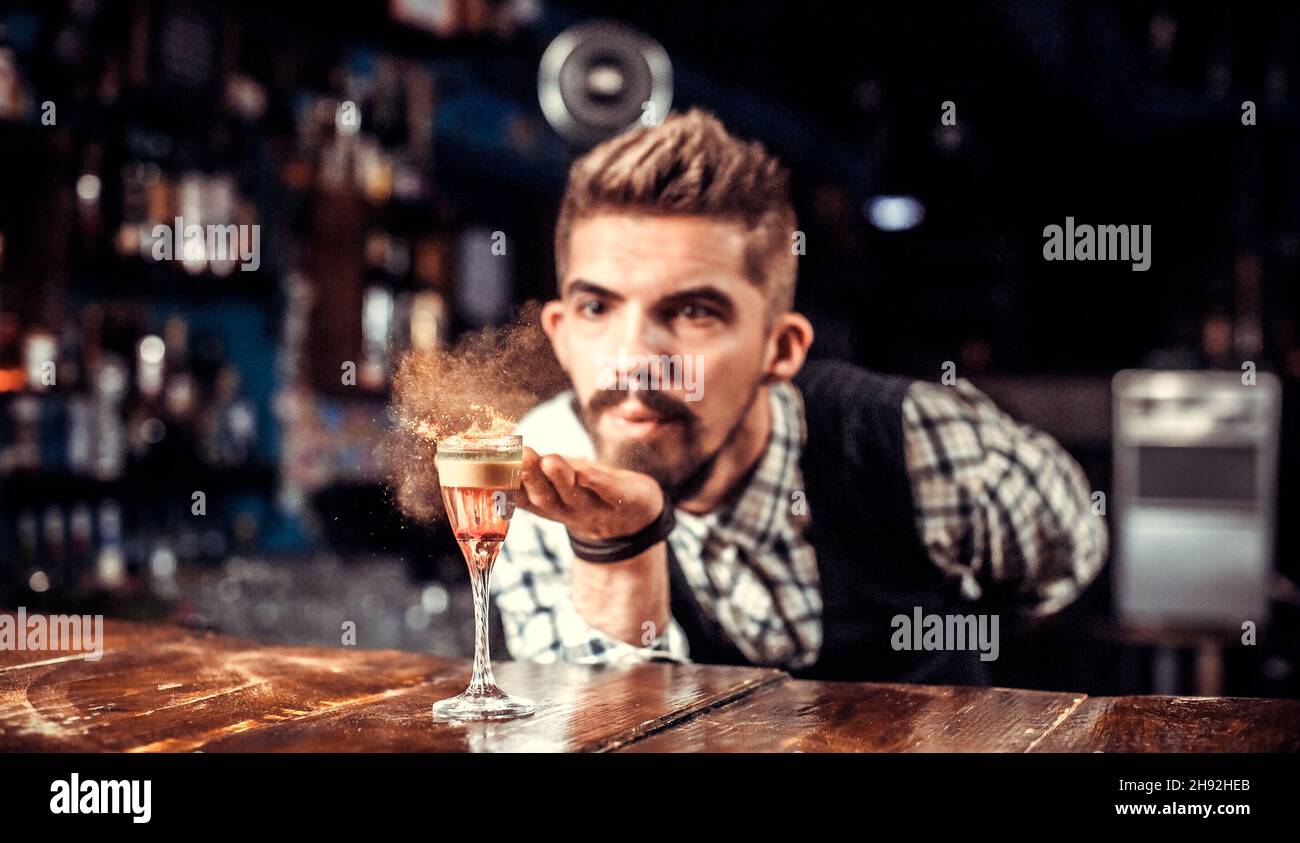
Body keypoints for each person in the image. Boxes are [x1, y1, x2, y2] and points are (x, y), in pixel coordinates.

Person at [493, 108, 1107, 684]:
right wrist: (617, 544)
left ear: (779, 349)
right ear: (562, 335)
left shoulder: (916, 440)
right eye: (597, 306)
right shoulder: (548, 466)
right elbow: (611, 731)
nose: (633, 361)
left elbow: (1069, 554)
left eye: (692, 311)